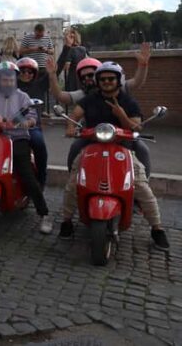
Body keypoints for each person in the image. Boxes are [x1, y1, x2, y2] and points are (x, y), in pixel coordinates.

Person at [57, 62, 169, 250]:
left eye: (111, 79)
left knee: (140, 184)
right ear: (98, 82)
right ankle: (66, 221)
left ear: (118, 80)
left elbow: (137, 127)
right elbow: (75, 114)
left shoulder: (128, 101)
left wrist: (121, 115)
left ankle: (157, 229)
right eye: (102, 79)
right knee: (73, 182)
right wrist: (70, 127)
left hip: (122, 147)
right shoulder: (91, 99)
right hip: (93, 146)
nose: (106, 82)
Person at [0, 62, 53, 234]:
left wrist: (23, 122)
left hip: (16, 139)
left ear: (14, 79)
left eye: (10, 79)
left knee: (26, 172)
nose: (7, 82)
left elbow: (32, 117)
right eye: (3, 79)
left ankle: (44, 214)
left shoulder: (23, 97)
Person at [46, 47, 154, 175]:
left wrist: (143, 65)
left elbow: (137, 82)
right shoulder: (85, 96)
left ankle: (144, 181)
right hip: (93, 136)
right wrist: (52, 76)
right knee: (75, 147)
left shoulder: (123, 94)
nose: (106, 81)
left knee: (142, 150)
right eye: (84, 76)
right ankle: (74, 178)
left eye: (91, 75)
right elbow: (64, 102)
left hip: (123, 137)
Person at [15, 57, 49, 189]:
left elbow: (54, 72)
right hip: (11, 127)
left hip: (32, 126)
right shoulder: (11, 87)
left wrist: (67, 49)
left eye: (30, 72)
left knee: (38, 142)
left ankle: (41, 177)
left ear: (34, 74)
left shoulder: (39, 85)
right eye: (23, 71)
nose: (26, 74)